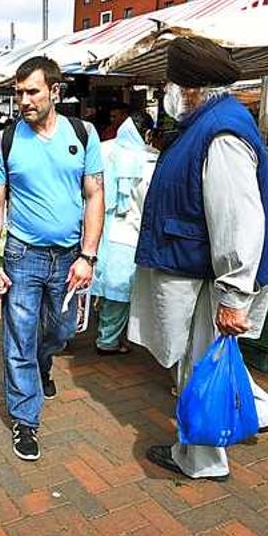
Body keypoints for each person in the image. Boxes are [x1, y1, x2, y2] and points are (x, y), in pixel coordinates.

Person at [129, 36, 268, 482]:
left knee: (201, 362)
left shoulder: (221, 133)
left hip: (211, 277)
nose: (167, 93)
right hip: (201, 270)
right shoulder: (210, 122)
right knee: (214, 356)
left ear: (190, 89)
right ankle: (259, 410)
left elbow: (237, 218)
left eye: (170, 84)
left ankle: (199, 460)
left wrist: (235, 295)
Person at [0, 56, 104, 461]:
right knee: (18, 336)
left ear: (55, 90)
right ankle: (25, 419)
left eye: (32, 91)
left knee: (62, 329)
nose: (24, 100)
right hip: (22, 255)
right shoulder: (7, 140)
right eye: (19, 93)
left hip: (70, 256)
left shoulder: (83, 135)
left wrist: (88, 255)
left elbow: (94, 196)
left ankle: (43, 362)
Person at [94, 111, 157, 354]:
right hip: (130, 230)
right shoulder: (148, 160)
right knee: (119, 289)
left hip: (99, 226)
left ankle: (94, 332)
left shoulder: (102, 150)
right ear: (147, 133)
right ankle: (108, 340)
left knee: (101, 282)